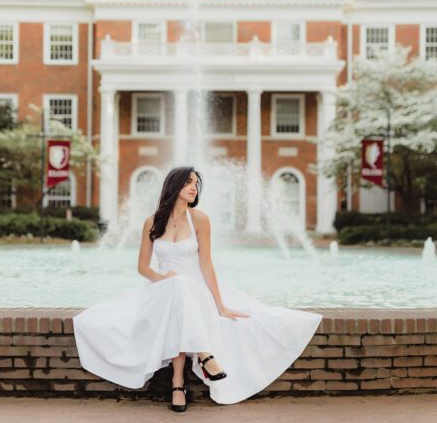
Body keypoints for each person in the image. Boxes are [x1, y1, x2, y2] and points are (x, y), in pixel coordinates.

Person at [73, 166, 322, 411]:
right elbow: (142, 267)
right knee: (176, 286)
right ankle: (205, 356)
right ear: (174, 186)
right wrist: (163, 279)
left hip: (196, 290)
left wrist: (220, 304)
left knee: (181, 289)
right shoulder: (152, 221)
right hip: (160, 289)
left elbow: (206, 265)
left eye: (196, 184)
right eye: (188, 182)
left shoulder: (200, 219)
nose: (194, 187)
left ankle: (178, 383)